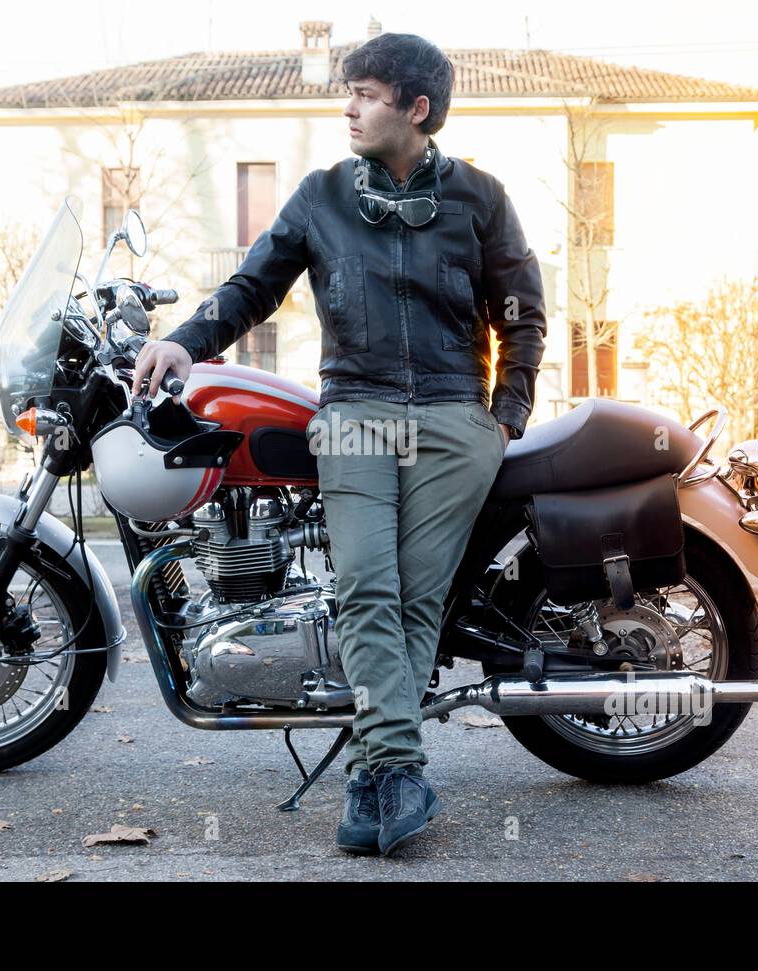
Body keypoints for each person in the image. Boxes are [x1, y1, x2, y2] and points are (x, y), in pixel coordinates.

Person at [132, 32, 547, 857]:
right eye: (348, 91)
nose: (347, 106)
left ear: (415, 108)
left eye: (365, 92)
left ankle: (376, 777)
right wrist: (185, 340)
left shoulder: (481, 197)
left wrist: (505, 412)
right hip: (355, 412)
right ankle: (393, 768)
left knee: (418, 599)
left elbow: (522, 309)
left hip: (455, 418)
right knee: (366, 590)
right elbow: (253, 286)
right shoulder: (321, 196)